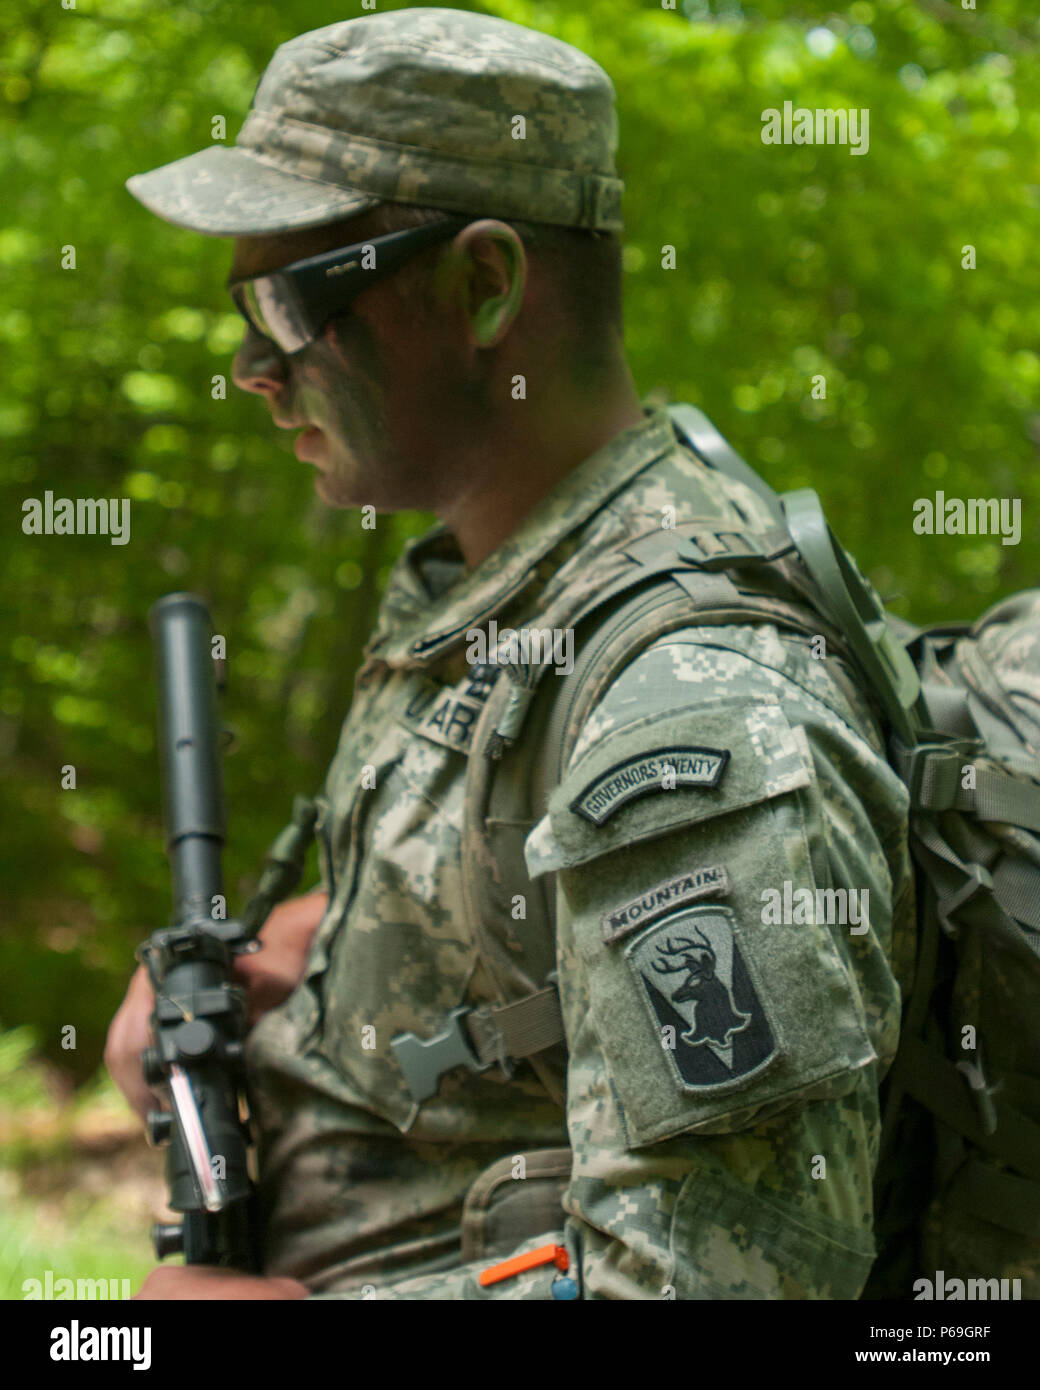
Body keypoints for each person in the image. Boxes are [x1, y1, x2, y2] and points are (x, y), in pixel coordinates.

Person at [107, 7, 914, 1300]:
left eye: (285, 300)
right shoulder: (499, 580)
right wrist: (308, 959)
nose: (254, 367)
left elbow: (718, 1289)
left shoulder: (685, 704)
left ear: (485, 288)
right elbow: (520, 886)